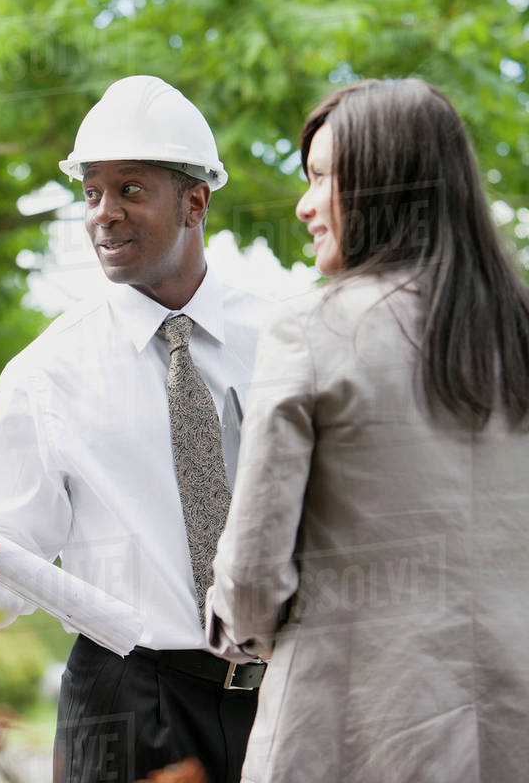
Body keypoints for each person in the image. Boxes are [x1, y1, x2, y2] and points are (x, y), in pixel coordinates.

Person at [0, 75, 269, 783]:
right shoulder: (47, 372)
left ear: (195, 202)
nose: (105, 213)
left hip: (284, 695)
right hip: (126, 701)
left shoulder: (287, 341)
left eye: (130, 189)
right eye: (92, 192)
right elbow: (0, 573)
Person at [206, 77, 529, 783]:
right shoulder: (518, 336)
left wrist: (235, 629)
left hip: (346, 735)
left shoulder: (311, 329)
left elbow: (254, 575)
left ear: (387, 184)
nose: (305, 205)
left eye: (323, 177)